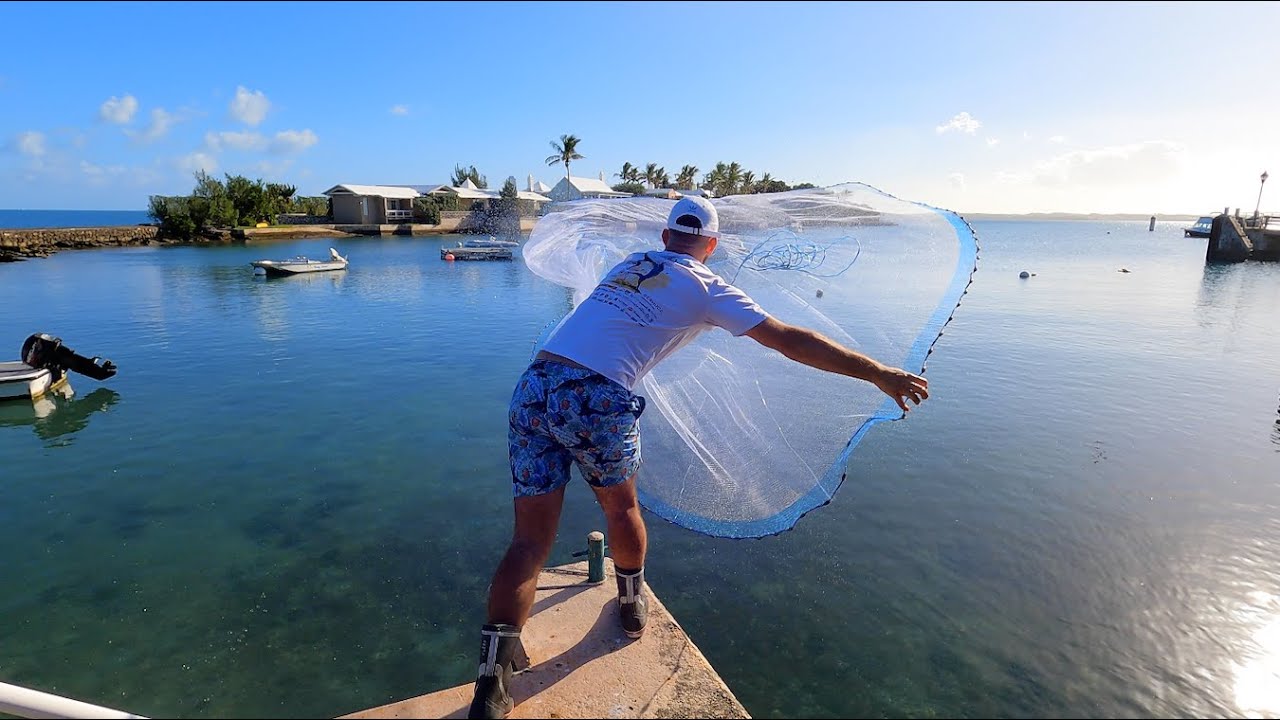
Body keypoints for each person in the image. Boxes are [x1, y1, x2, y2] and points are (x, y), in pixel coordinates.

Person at [468, 195, 929, 719]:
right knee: (621, 510)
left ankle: (492, 685)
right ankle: (630, 602)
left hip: (534, 385)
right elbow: (788, 339)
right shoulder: (708, 287)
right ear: (712, 245)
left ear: (666, 237)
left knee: (529, 541)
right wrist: (876, 372)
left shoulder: (632, 263)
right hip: (596, 398)